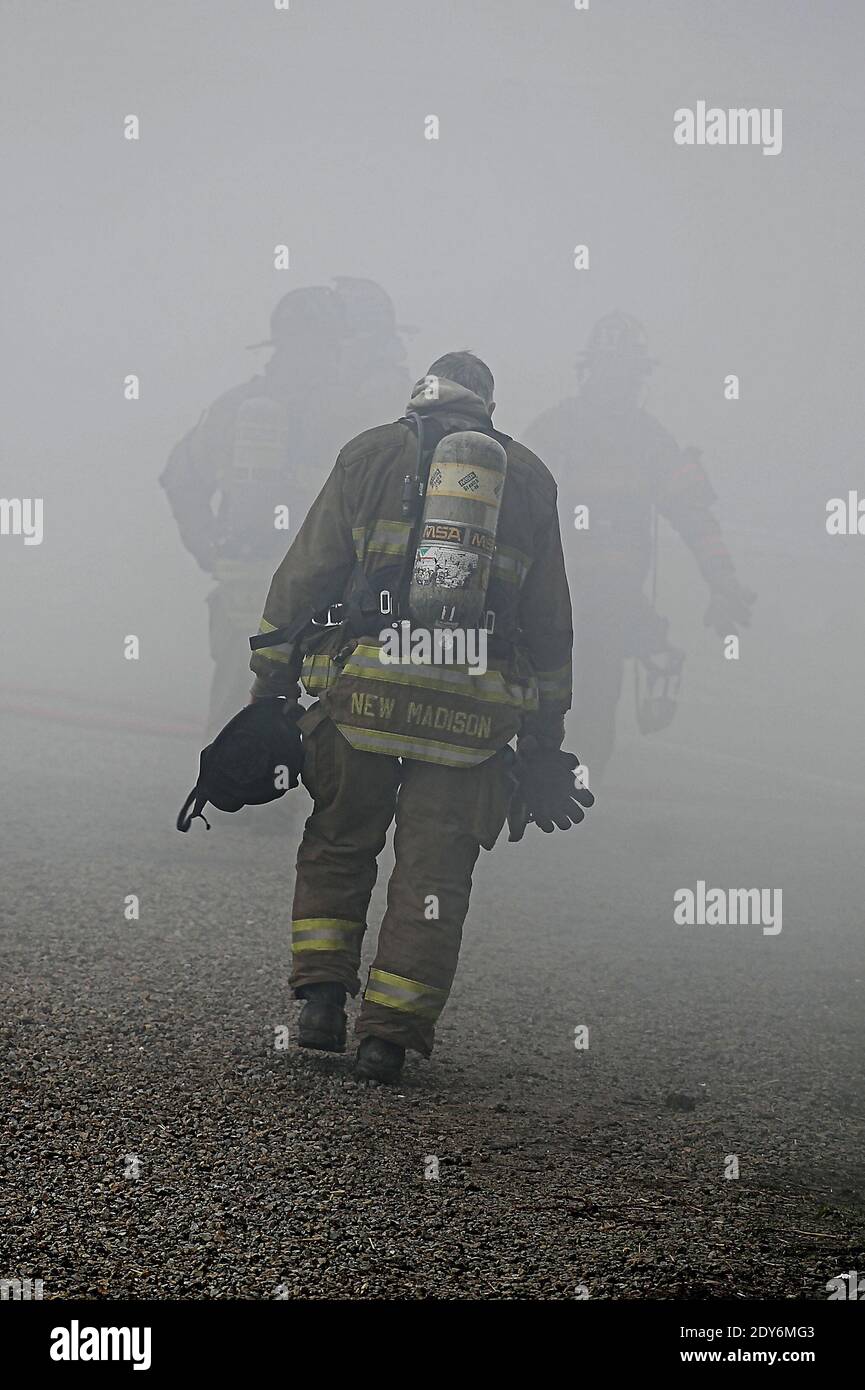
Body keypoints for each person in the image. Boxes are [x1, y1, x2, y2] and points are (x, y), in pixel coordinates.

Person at [249, 351, 589, 1082]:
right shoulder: (525, 479)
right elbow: (549, 621)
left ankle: (320, 1000)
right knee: (434, 878)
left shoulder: (368, 454)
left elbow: (304, 575)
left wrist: (268, 688)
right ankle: (387, 1039)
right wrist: (544, 740)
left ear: (419, 400)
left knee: (340, 840)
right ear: (488, 410)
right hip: (471, 717)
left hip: (364, 691)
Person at [160, 282, 411, 735]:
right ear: (333, 348)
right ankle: (294, 802)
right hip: (324, 600)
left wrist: (211, 550)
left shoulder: (235, 407)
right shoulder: (353, 414)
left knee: (237, 718)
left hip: (246, 600)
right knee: (329, 722)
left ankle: (223, 801)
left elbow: (180, 479)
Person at [524, 312, 755, 779]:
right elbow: (510, 510)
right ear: (594, 372)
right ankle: (543, 778)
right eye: (616, 373)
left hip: (598, 603)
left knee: (588, 698)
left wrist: (724, 582)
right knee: (553, 693)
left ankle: (570, 791)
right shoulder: (558, 432)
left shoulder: (643, 441)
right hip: (556, 596)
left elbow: (696, 519)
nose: (620, 385)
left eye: (626, 375)